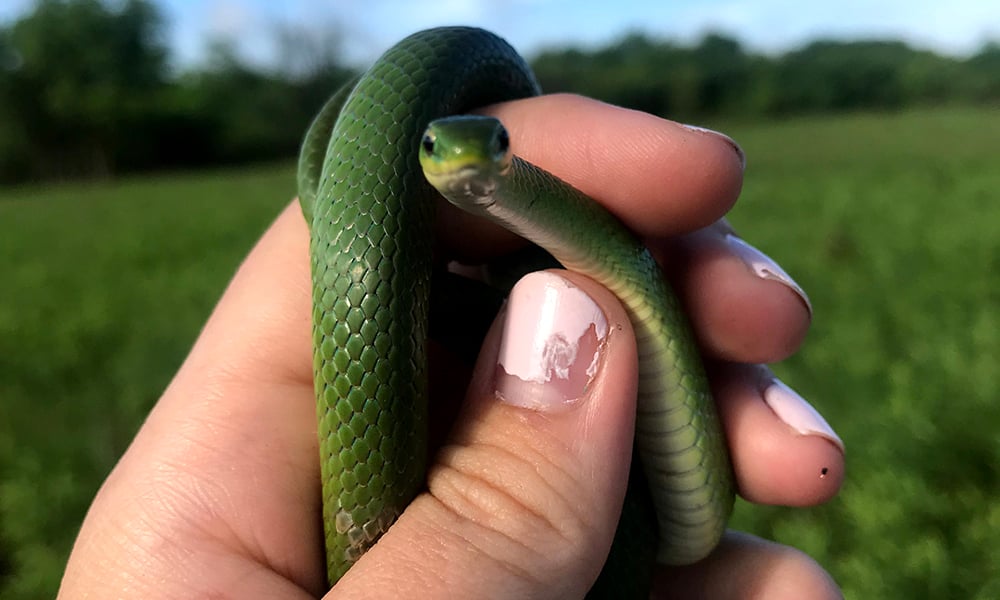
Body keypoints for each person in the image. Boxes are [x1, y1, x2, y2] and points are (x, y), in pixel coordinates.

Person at [58, 94, 845, 599]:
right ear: (423, 157)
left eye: (489, 143)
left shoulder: (524, 194)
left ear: (504, 149)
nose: (466, 157)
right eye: (434, 148)